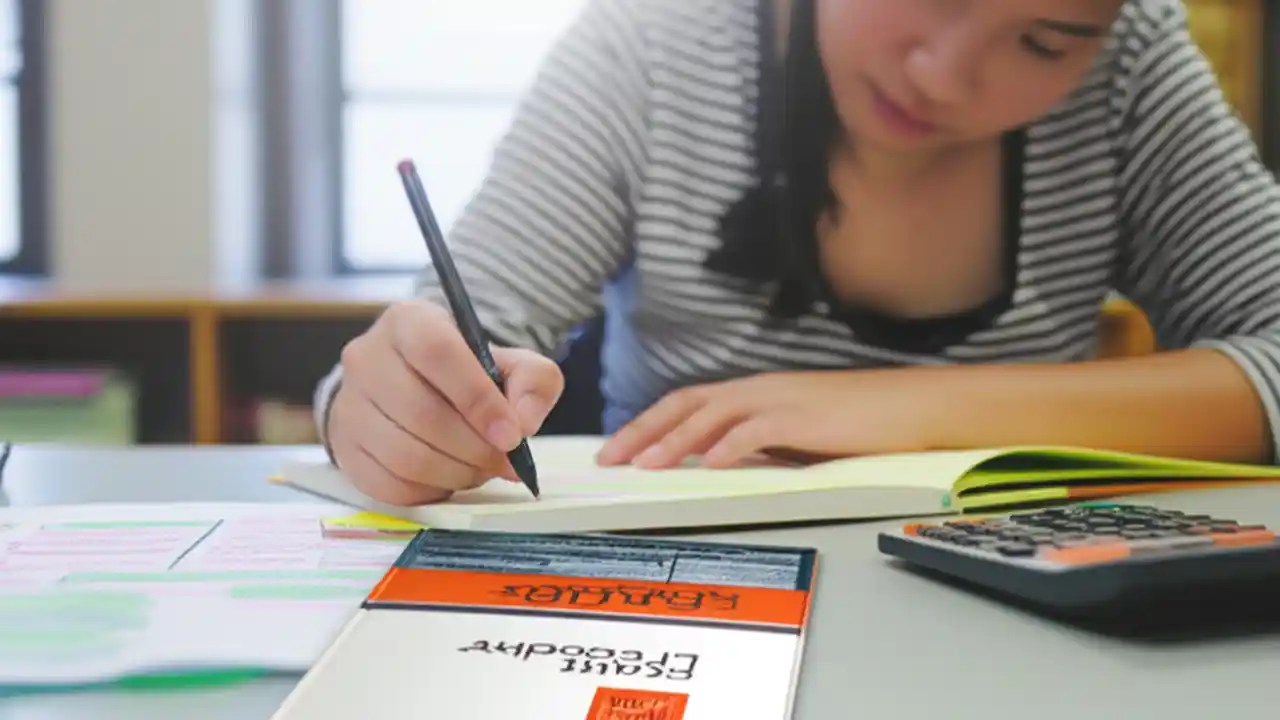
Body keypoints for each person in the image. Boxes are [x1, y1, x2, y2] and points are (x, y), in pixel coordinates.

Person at [316, 0, 1280, 506]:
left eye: (1044, 40)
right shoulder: (654, 40)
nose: (945, 73)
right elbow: (438, 342)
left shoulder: (1132, 66)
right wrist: (387, 413)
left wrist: (903, 411)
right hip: (681, 608)